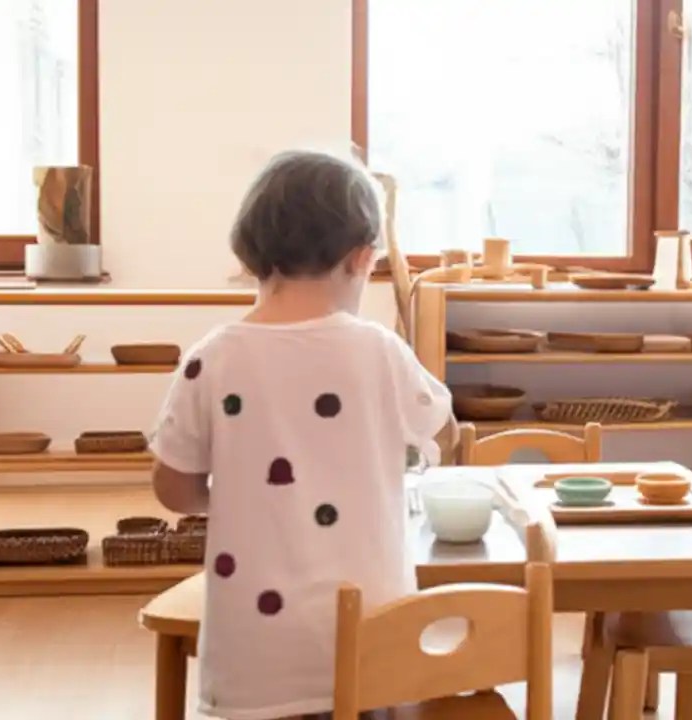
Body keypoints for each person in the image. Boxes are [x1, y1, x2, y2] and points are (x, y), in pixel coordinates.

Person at [149, 150, 453, 720]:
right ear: (362, 259)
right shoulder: (380, 350)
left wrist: (233, 497)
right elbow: (445, 432)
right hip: (371, 640)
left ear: (250, 253)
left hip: (254, 655)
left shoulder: (210, 359)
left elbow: (173, 487)